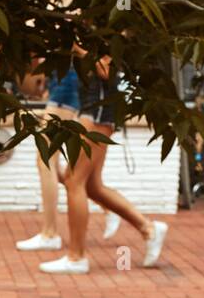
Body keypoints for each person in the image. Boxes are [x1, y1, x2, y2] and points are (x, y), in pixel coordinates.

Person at [39, 57, 169, 275]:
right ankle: (149, 228)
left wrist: (76, 49)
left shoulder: (100, 32)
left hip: (98, 111)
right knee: (92, 186)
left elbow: (106, 69)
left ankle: (76, 257)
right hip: (92, 108)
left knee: (73, 180)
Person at [16, 69, 119, 252]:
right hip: (62, 80)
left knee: (45, 159)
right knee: (54, 166)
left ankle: (50, 233)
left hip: (68, 80)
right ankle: (108, 207)